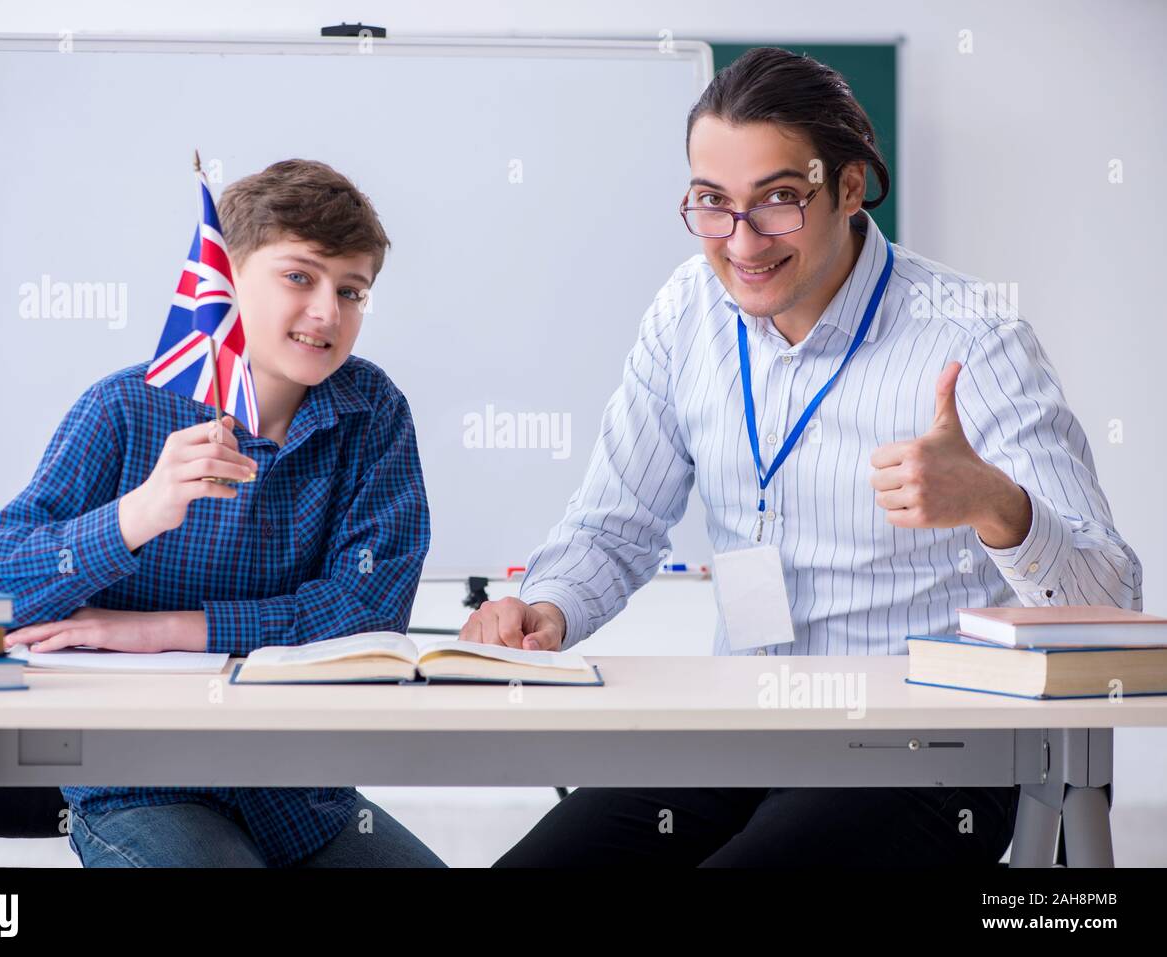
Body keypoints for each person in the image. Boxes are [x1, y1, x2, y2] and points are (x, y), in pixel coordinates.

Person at [461, 48, 1142, 867]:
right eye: (713, 203)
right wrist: (549, 607)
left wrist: (998, 506)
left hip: (928, 753)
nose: (740, 242)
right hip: (741, 723)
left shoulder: (972, 338)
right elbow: (616, 524)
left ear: (849, 188)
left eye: (778, 200)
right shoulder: (687, 313)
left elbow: (1115, 595)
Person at [0, 159, 443, 867]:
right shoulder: (124, 408)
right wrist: (138, 513)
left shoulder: (373, 413)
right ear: (228, 272)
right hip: (142, 786)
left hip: (301, 796)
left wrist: (161, 630)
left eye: (352, 291)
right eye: (299, 277)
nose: (327, 314)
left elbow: (368, 615)